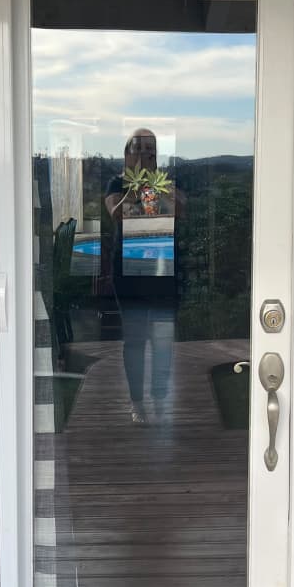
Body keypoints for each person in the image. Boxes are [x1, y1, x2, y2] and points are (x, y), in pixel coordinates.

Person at [104, 129, 177, 425]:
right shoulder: (116, 182)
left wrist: (158, 186)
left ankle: (160, 399)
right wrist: (137, 183)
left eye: (151, 148)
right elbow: (117, 215)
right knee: (134, 339)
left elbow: (180, 211)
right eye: (140, 147)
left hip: (163, 267)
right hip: (129, 271)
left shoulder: (168, 182)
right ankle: (137, 402)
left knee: (162, 339)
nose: (146, 152)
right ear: (128, 152)